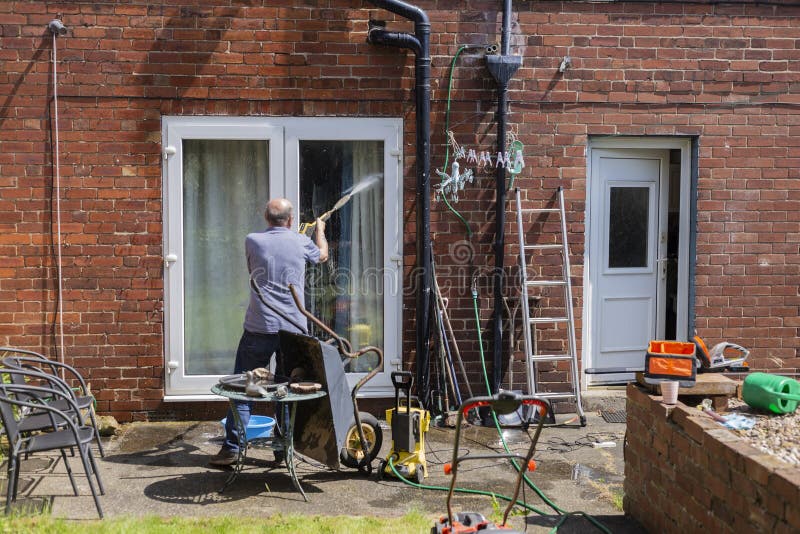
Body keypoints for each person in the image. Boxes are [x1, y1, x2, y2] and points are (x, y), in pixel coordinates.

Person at [210, 198, 328, 467]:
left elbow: (256, 270)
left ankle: (232, 449)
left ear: (266, 218)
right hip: (292, 332)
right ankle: (283, 451)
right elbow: (322, 255)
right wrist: (319, 230)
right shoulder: (301, 242)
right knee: (285, 390)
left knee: (246, 387)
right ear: (290, 220)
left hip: (259, 328)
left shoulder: (253, 241)